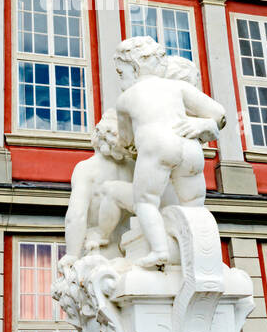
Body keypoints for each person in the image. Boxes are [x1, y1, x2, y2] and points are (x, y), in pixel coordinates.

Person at [107, 37, 227, 269]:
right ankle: (200, 255)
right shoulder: (178, 87)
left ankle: (159, 251)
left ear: (134, 67)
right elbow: (219, 114)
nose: (121, 80)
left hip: (157, 146)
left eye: (121, 73)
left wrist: (127, 146)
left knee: (144, 201)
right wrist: (202, 125)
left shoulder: (125, 99)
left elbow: (126, 139)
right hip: (189, 145)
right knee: (193, 203)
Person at [59, 110, 133, 270]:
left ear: (98, 136)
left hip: (98, 247)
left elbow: (76, 215)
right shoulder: (134, 169)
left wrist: (72, 254)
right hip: (130, 247)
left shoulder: (87, 168)